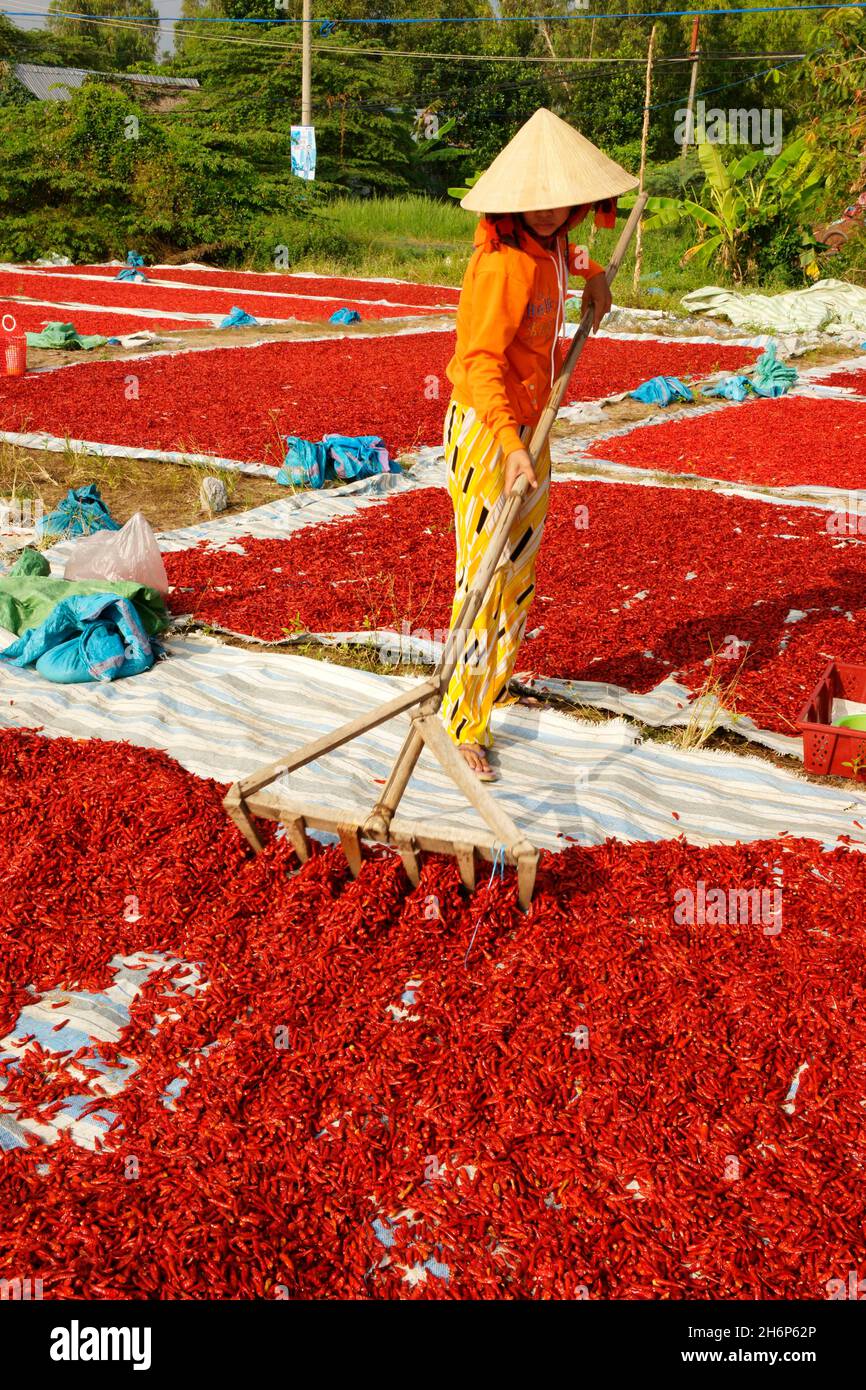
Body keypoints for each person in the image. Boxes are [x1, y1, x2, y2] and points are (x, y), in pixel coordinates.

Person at [441, 107, 638, 777]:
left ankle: (488, 699)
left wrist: (596, 279)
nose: (554, 215)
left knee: (518, 577)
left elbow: (574, 254)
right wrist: (510, 443)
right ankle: (462, 722)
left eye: (563, 203)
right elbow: (478, 364)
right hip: (488, 433)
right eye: (541, 205)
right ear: (517, 204)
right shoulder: (502, 268)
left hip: (535, 424)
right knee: (483, 573)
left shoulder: (553, 244)